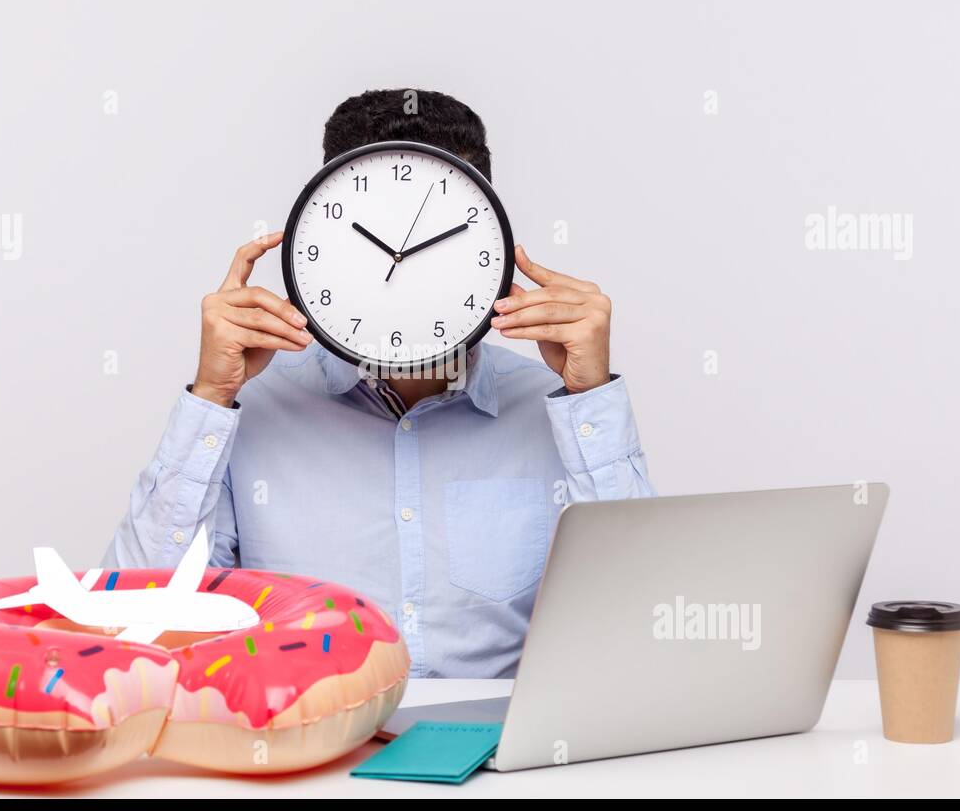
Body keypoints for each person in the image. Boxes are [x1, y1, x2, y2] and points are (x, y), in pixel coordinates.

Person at [104, 89, 654, 678]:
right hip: (312, 757)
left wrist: (589, 397)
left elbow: (639, 630)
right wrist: (210, 398)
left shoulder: (558, 413)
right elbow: (136, 628)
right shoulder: (247, 414)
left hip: (498, 757)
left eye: (439, 245)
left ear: (486, 246)